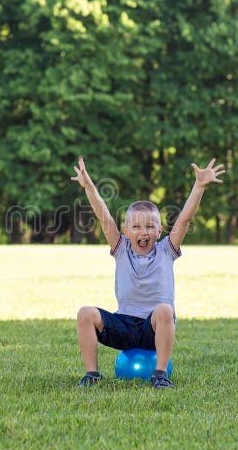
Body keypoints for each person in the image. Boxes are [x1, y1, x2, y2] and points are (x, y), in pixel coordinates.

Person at [71, 157, 225, 389]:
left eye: (151, 227)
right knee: (85, 313)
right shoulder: (121, 248)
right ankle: (92, 374)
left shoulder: (166, 250)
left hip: (153, 329)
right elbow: (103, 216)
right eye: (137, 227)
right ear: (126, 231)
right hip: (123, 324)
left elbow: (184, 219)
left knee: (165, 310)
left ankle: (160, 374)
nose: (144, 232)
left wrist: (199, 187)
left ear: (160, 230)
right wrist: (89, 186)